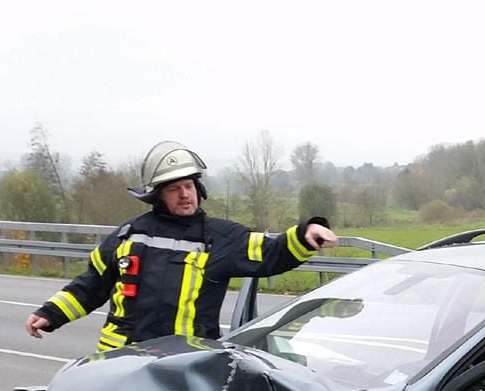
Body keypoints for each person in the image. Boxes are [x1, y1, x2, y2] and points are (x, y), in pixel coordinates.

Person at [24, 140, 339, 351]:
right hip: (120, 362)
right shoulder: (130, 234)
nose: (185, 194)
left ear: (199, 188)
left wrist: (306, 233)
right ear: (157, 195)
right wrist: (51, 314)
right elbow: (91, 284)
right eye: (174, 188)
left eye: (189, 186)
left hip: (186, 365)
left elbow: (273, 253)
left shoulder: (223, 238)